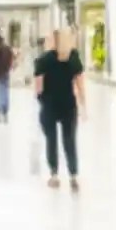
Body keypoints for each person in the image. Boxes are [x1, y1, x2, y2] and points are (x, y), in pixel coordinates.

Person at [35, 29, 86, 191]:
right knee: (69, 140)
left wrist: (41, 101)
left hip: (49, 105)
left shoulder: (43, 60)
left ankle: (54, 175)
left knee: (51, 140)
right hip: (68, 105)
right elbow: (80, 85)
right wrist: (83, 105)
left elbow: (38, 87)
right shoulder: (73, 58)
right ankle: (73, 177)